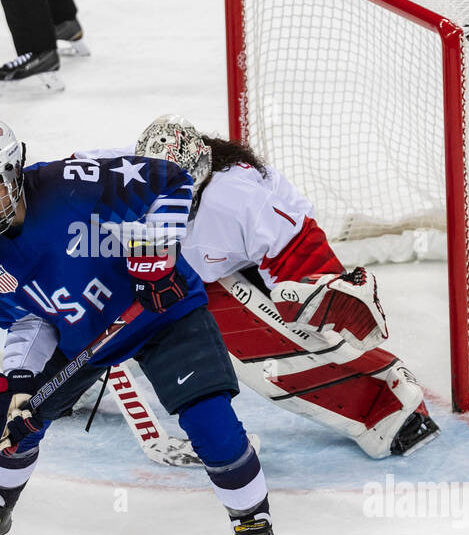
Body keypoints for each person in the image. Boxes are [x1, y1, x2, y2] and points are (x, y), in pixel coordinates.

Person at [0, 116, 291, 535]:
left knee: (215, 431)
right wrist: (19, 384)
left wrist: (155, 260)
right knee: (8, 424)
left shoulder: (67, 185)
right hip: (84, 335)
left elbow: (170, 179)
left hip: (162, 309)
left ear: (13, 174)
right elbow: (29, 320)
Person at [110, 116, 440, 461]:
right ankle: (79, 387)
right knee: (91, 318)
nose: (171, 203)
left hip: (245, 266)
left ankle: (392, 411)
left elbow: (297, 250)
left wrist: (316, 295)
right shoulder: (122, 179)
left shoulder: (235, 199)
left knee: (272, 352)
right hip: (177, 265)